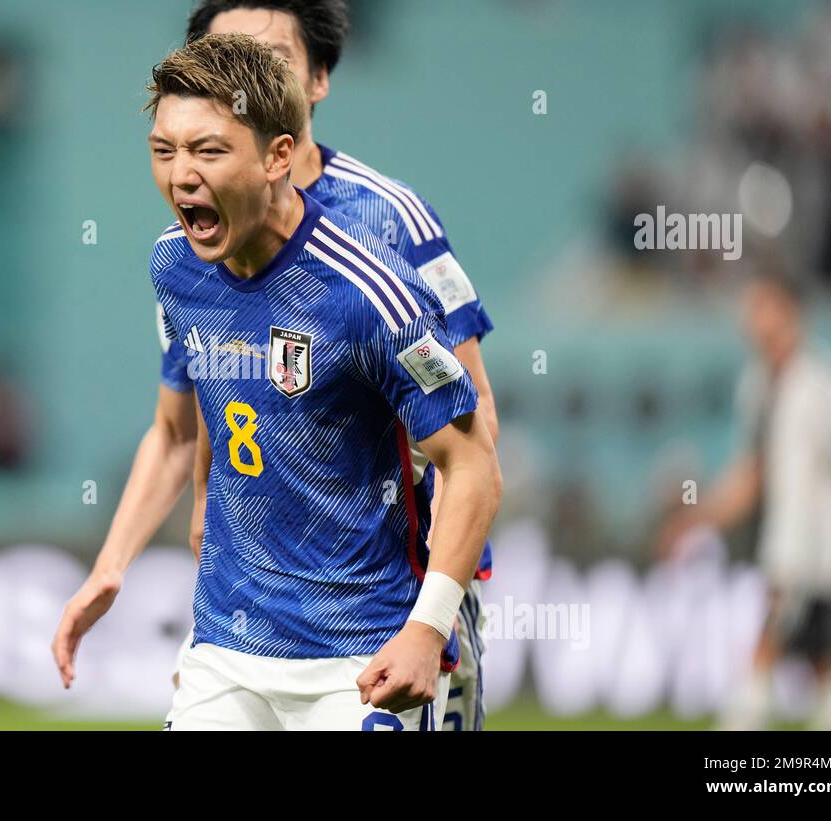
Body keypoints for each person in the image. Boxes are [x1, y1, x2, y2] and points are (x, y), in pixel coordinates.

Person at [54, 0, 498, 730]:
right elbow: (195, 413)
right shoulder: (179, 261)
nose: (182, 171)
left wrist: (431, 619)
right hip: (237, 631)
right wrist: (134, 561)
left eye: (267, 60)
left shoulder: (383, 245)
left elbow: (474, 439)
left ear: (309, 87)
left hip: (376, 606)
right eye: (165, 149)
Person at [661, 266, 831, 730]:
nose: (753, 320)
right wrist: (698, 519)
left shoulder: (827, 384)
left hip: (815, 552)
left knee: (764, 648)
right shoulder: (758, 385)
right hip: (785, 546)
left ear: (792, 313)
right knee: (825, 666)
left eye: (764, 308)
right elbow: (751, 475)